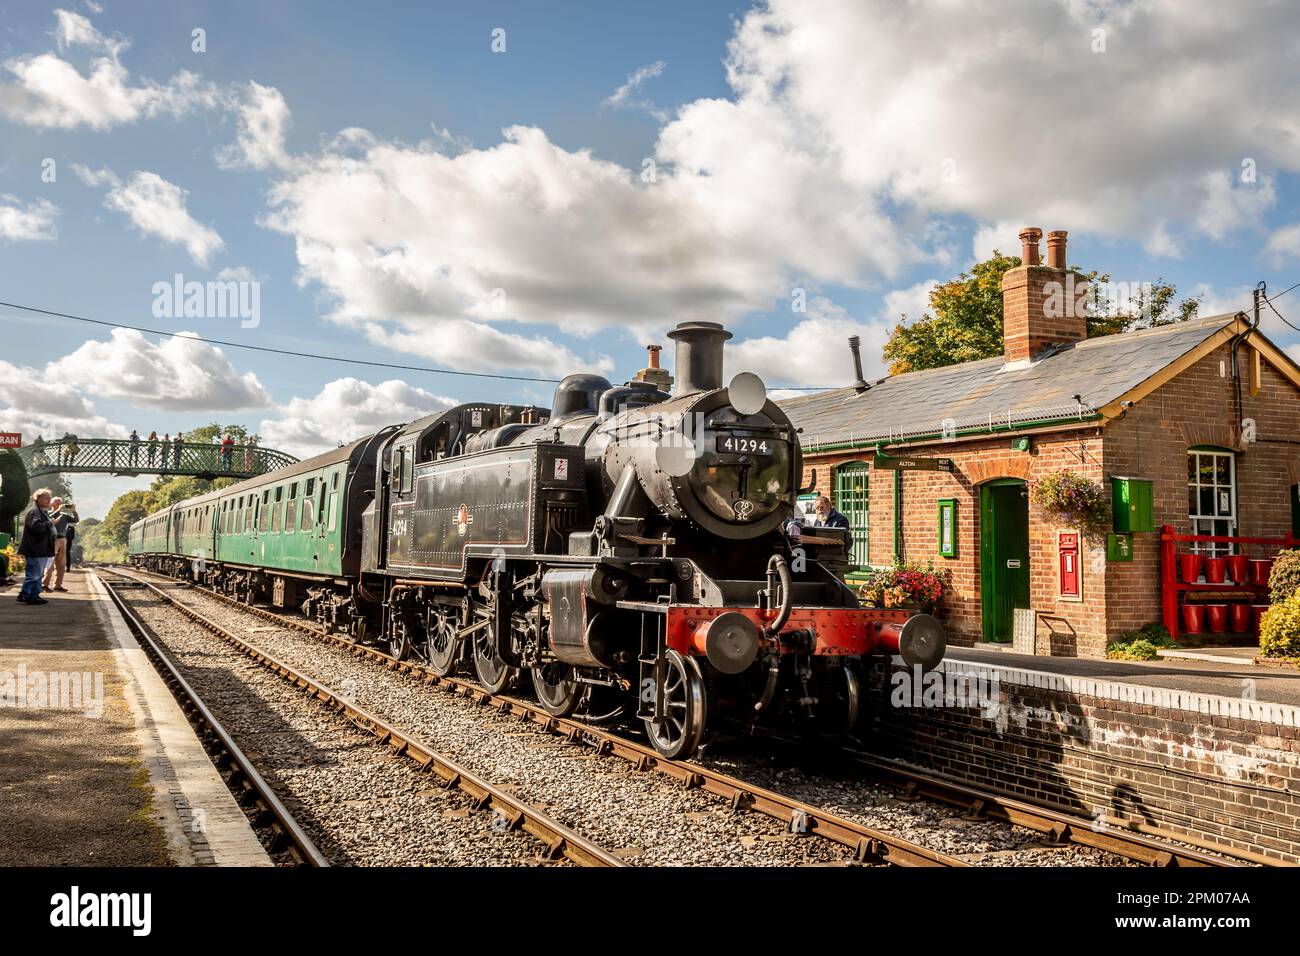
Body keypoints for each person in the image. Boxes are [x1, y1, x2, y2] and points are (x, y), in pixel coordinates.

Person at [17, 488, 54, 605]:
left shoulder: (41, 511)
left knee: (38, 574)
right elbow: (36, 527)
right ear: (38, 499)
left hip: (40, 549)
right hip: (35, 548)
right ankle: (25, 594)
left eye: (49, 498)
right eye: (46, 498)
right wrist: (50, 523)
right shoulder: (35, 512)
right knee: (34, 574)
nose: (49, 500)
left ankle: (34, 595)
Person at [42, 496, 77, 592]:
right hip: (52, 540)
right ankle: (44, 584)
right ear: (51, 504)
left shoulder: (65, 515)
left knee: (61, 564)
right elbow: (50, 518)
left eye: (60, 502)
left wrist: (74, 511)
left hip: (62, 539)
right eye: (57, 502)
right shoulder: (47, 513)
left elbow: (75, 520)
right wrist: (58, 510)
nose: (59, 504)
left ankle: (57, 585)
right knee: (50, 563)